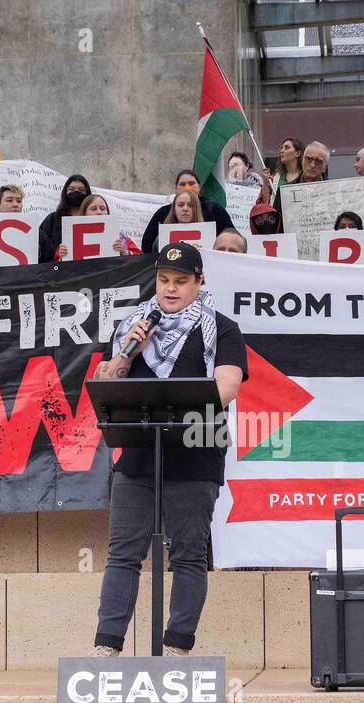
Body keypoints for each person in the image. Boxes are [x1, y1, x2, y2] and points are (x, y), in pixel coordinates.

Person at [91, 242, 248, 657]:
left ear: (199, 281)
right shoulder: (134, 325)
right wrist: (127, 352)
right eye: (163, 281)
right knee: (123, 552)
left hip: (196, 451)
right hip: (139, 451)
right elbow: (108, 381)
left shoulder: (222, 328)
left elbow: (227, 388)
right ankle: (107, 646)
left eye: (181, 281)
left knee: (188, 553)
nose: (171, 289)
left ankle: (178, 647)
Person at [141, 169, 234, 253]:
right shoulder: (163, 212)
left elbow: (232, 237)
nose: (187, 187)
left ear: (199, 187)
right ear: (176, 188)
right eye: (182, 184)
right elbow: (147, 245)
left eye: (191, 183)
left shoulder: (214, 210)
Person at [54, 193, 142, 259]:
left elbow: (142, 260)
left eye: (103, 208)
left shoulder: (121, 238)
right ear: (84, 213)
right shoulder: (70, 239)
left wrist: (125, 252)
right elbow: (55, 268)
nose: (99, 212)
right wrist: (63, 257)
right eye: (93, 209)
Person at [39, 174, 92, 250]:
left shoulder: (93, 219)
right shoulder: (52, 219)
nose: (76, 192)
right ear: (65, 192)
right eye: (71, 189)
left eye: (81, 190)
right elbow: (40, 245)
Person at [258, 137, 304, 205]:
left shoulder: (305, 176)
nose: (282, 151)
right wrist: (265, 182)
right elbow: (266, 202)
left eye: (287, 148)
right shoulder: (276, 178)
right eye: (281, 148)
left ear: (298, 153)